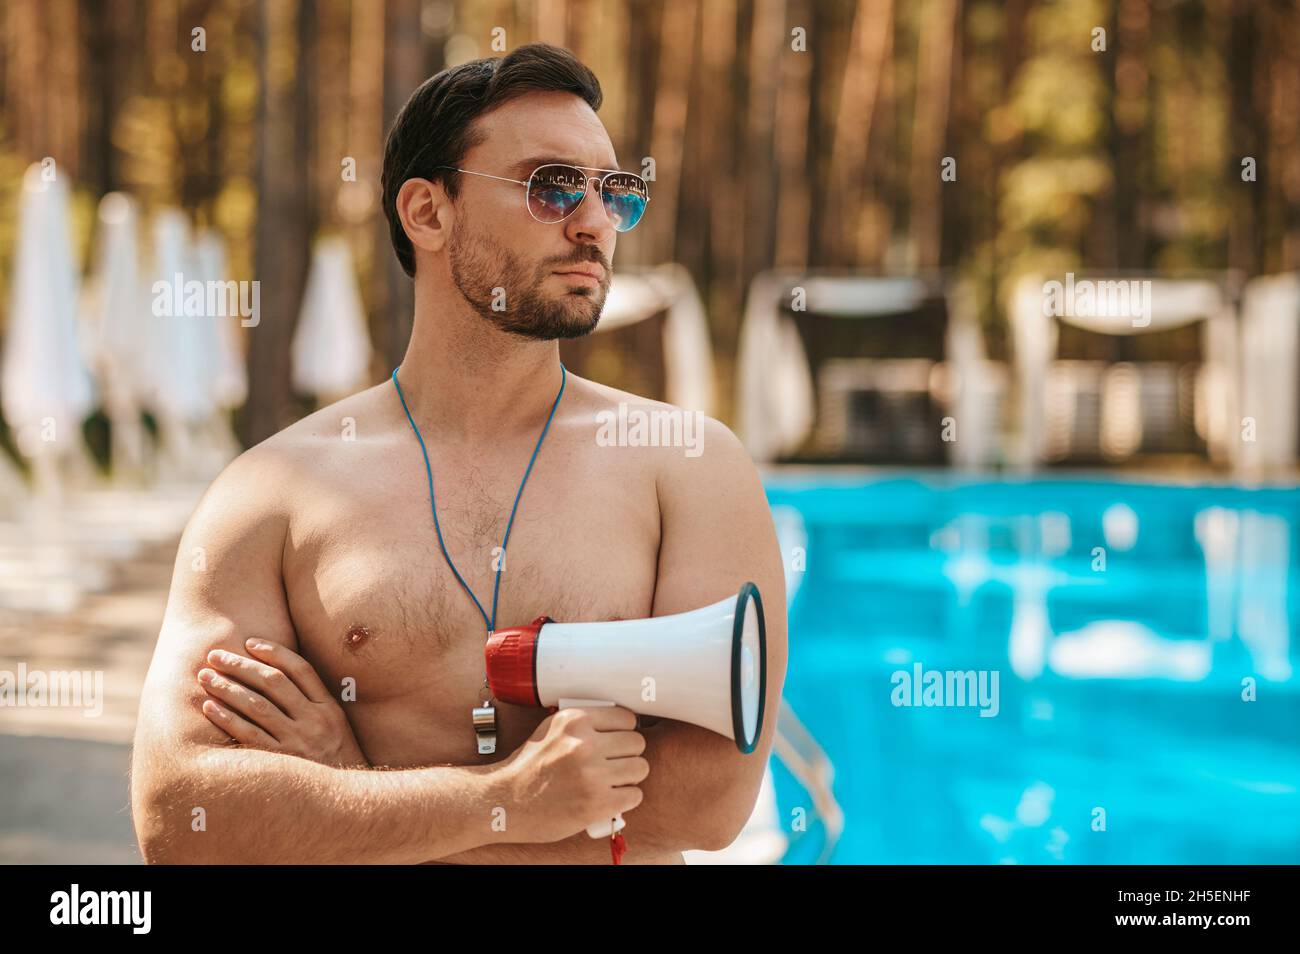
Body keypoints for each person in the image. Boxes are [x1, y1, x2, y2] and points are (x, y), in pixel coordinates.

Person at [129, 42, 787, 864]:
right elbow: (179, 816)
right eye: (552, 186)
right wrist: (507, 801)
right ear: (428, 213)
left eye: (614, 192)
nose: (593, 222)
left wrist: (347, 779)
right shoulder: (272, 492)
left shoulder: (688, 467)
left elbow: (707, 806)